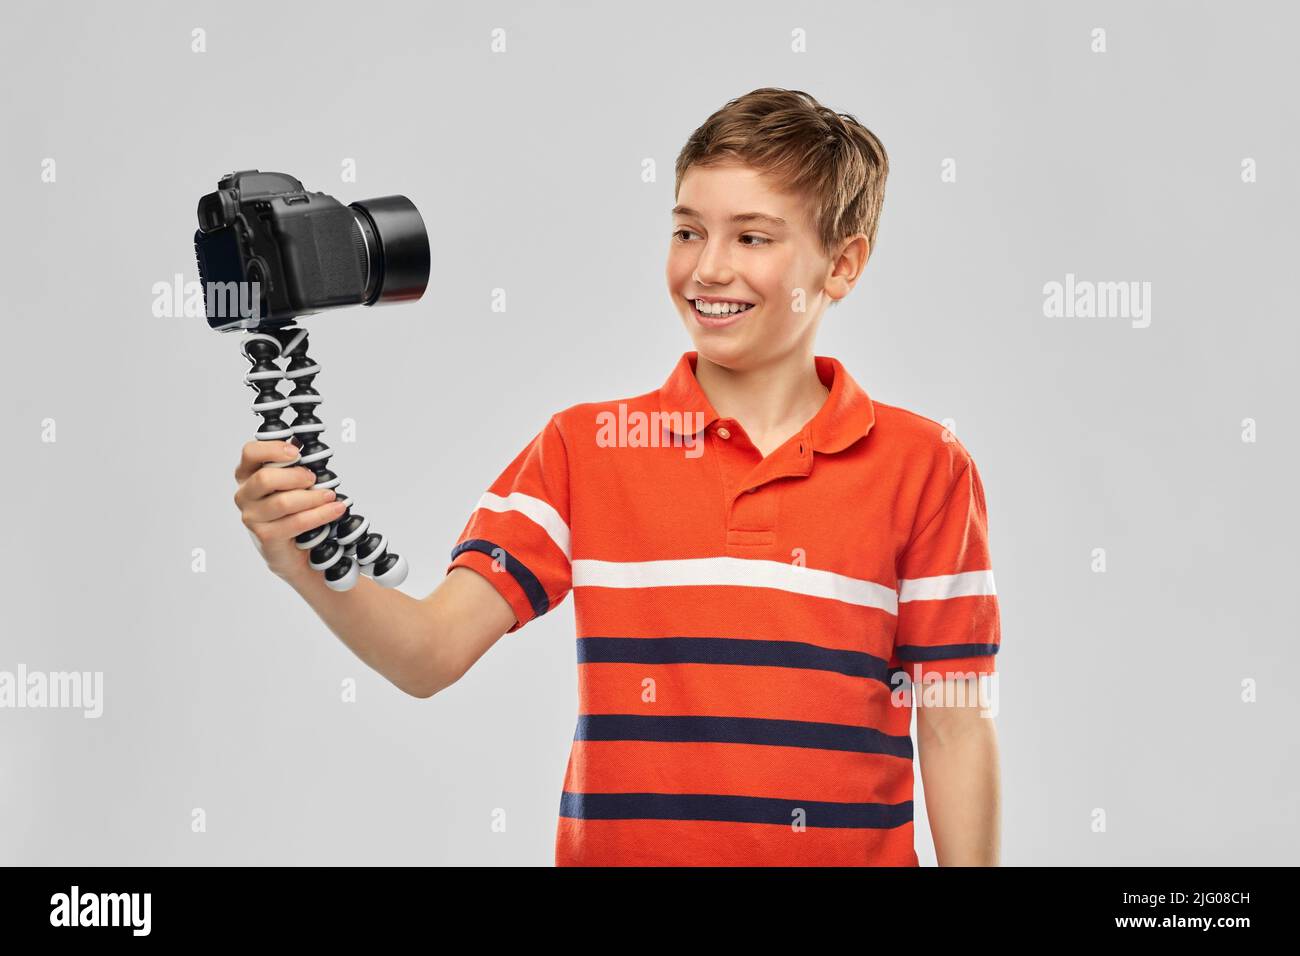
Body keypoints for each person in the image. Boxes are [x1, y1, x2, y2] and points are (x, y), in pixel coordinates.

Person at [232, 87, 1002, 867]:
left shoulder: (925, 464)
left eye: (753, 238)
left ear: (841, 265)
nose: (708, 268)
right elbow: (429, 654)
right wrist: (300, 558)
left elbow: (953, 719)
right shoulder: (585, 448)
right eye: (687, 230)